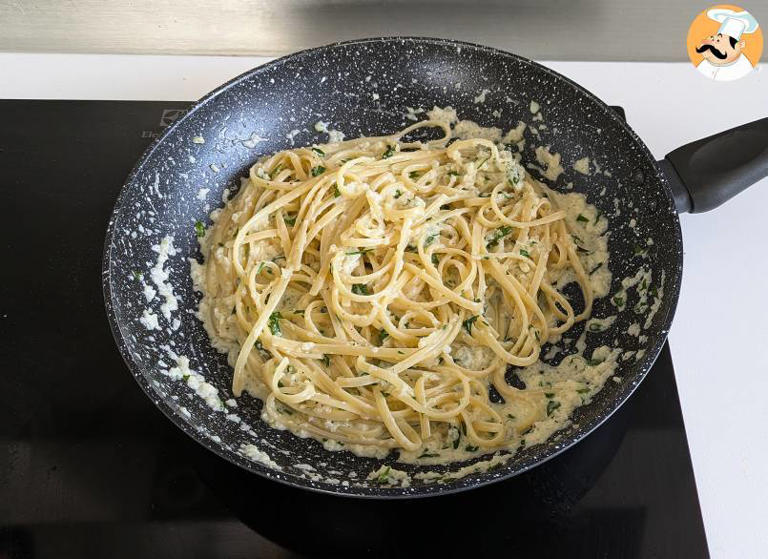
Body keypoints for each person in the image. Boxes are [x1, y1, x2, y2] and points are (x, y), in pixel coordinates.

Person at [695, 9, 759, 82]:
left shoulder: (742, 69)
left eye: (718, 41)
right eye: (712, 38)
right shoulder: (705, 64)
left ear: (739, 45)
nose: (711, 41)